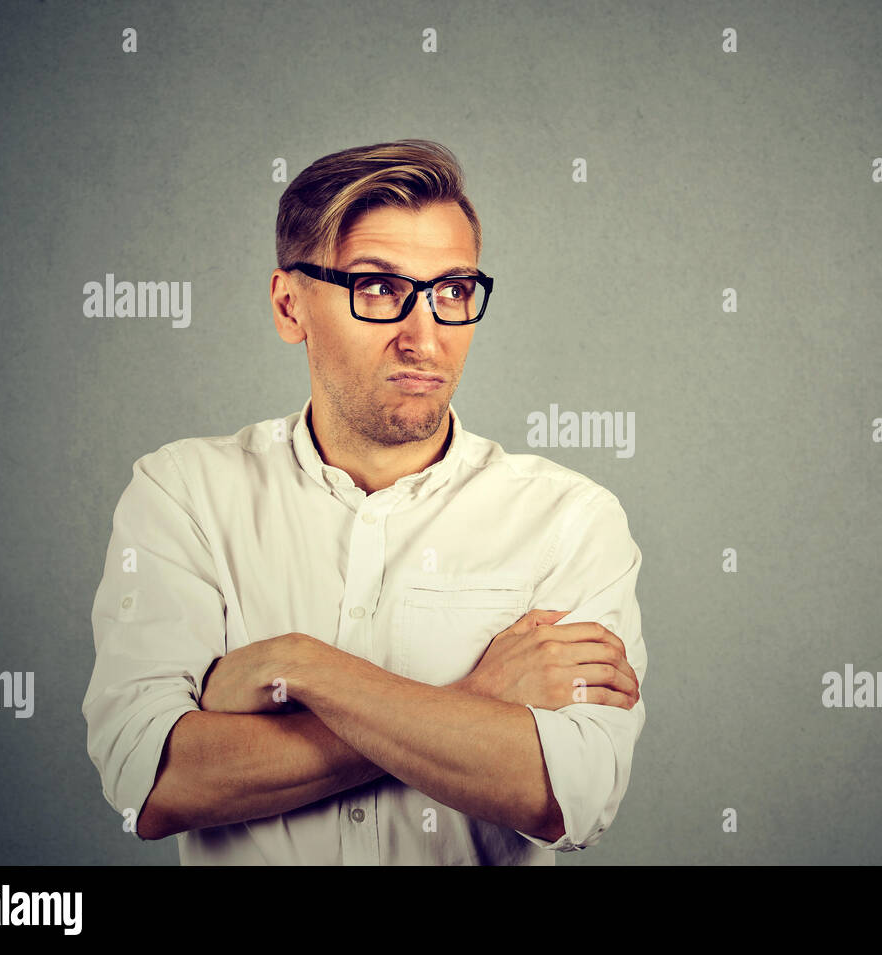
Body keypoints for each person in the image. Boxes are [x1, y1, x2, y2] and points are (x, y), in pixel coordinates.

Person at [82, 140, 647, 865]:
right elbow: (156, 783)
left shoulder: (570, 520)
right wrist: (475, 698)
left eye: (453, 290)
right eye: (378, 288)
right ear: (291, 306)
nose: (425, 335)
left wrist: (306, 668)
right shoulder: (184, 494)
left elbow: (567, 794)